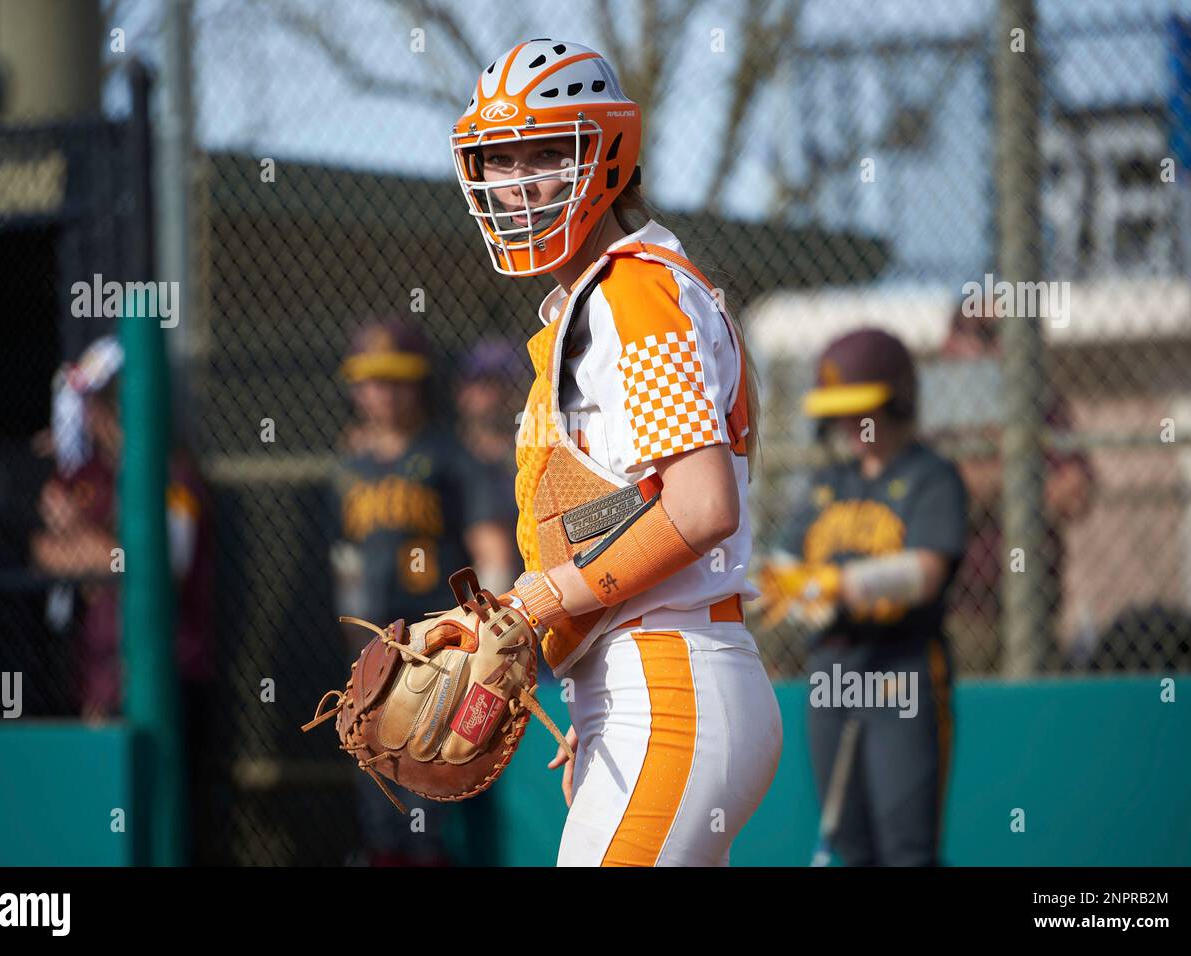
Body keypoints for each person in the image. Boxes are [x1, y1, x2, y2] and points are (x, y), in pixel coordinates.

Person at [446, 39, 781, 866]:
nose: (517, 183)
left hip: (673, 685)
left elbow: (701, 507)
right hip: (643, 685)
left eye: (546, 153)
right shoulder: (594, 300)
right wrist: (578, 662)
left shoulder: (633, 288)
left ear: (610, 153)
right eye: (499, 160)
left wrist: (535, 605)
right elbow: (626, 503)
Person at [760, 328, 966, 866]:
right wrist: (781, 584)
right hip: (831, 672)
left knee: (906, 847)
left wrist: (840, 584)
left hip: (902, 671)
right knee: (848, 845)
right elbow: (785, 570)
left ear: (896, 402)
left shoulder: (930, 477)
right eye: (841, 413)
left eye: (862, 411)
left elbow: (926, 572)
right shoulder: (829, 483)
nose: (850, 426)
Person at [330, 318, 514, 865]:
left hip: (440, 647)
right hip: (374, 648)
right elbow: (343, 562)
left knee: (432, 787)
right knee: (377, 784)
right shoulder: (349, 465)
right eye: (370, 381)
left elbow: (492, 551)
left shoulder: (451, 455)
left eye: (395, 380)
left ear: (419, 383)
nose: (381, 394)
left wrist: (488, 632)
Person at [30, 335, 216, 862]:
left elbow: (159, 566)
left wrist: (88, 544)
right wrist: (93, 549)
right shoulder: (104, 480)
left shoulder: (175, 476)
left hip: (171, 681)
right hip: (102, 682)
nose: (94, 420)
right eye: (91, 406)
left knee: (163, 829)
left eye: (106, 406)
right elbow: (44, 551)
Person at [937, 306, 1094, 669]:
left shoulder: (1041, 404)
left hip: (1036, 604)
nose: (1004, 348)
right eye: (988, 334)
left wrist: (994, 475)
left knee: (1039, 713)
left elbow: (1074, 495)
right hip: (963, 611)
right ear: (952, 344)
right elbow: (950, 496)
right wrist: (1026, 473)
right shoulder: (940, 407)